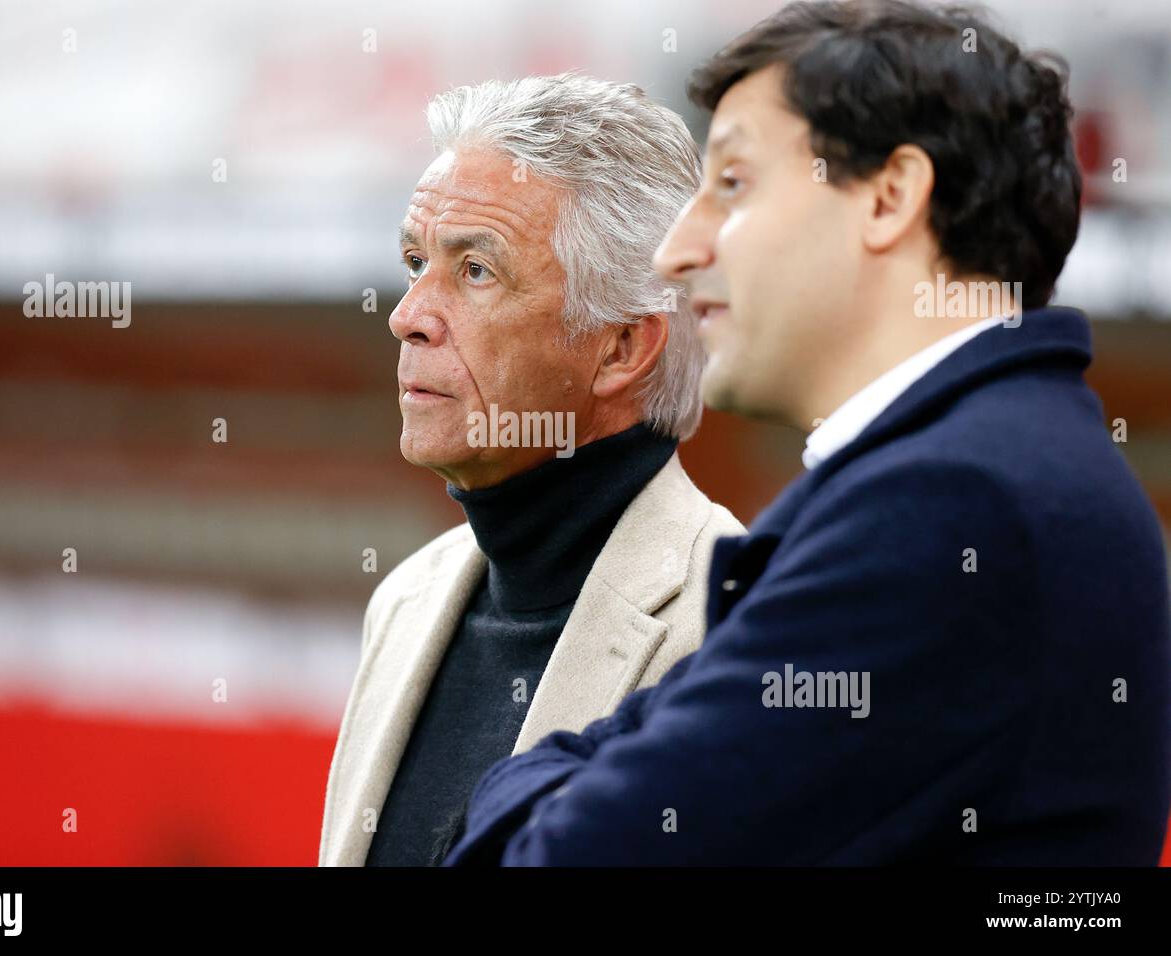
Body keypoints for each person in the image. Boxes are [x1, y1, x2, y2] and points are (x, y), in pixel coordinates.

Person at [444, 0, 1171, 866]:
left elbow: (576, 853)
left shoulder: (948, 509)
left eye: (735, 184)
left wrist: (508, 781)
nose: (677, 250)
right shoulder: (991, 469)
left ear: (891, 197)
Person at [318, 73, 743, 866]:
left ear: (622, 346)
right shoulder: (406, 600)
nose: (408, 315)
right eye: (415, 262)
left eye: (475, 270)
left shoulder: (731, 631)